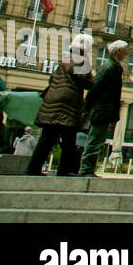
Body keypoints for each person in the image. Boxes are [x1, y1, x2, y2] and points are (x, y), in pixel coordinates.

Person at [29, 34, 95, 176]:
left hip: (51, 102)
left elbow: (52, 79)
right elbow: (88, 82)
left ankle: (33, 168)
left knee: (47, 138)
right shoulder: (81, 61)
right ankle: (64, 169)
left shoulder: (65, 60)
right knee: (69, 139)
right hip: (68, 104)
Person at [77, 39, 127, 177]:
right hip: (101, 110)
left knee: (97, 141)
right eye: (125, 50)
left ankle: (88, 169)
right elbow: (95, 88)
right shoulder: (108, 67)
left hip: (105, 109)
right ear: (118, 51)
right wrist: (86, 108)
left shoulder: (115, 67)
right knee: (94, 140)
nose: (127, 53)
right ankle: (85, 169)